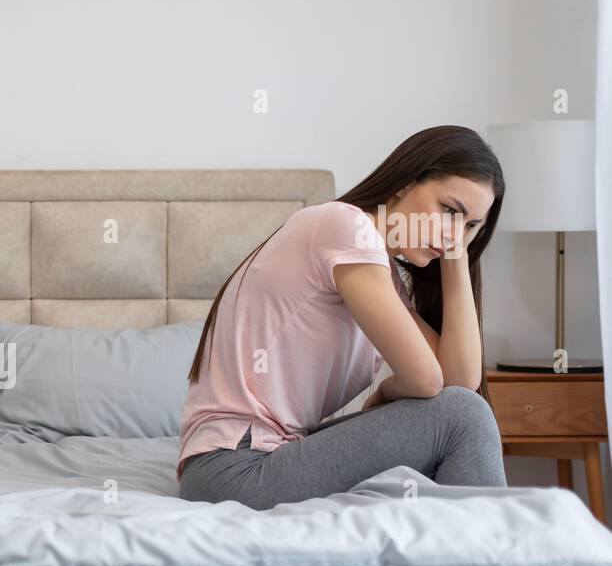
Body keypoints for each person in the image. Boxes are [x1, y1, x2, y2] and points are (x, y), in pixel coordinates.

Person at [177, 125, 507, 509]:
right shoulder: (345, 227)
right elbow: (432, 383)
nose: (454, 235)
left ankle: (466, 552)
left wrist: (457, 259)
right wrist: (390, 391)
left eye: (470, 227)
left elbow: (458, 382)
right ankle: (493, 549)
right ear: (403, 183)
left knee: (463, 414)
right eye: (449, 211)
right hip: (233, 468)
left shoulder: (380, 277)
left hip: (267, 458)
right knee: (463, 418)